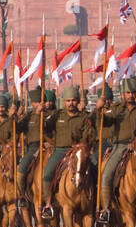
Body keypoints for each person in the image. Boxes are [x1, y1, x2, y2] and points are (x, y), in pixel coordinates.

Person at [96, 77, 136, 221]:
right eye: (128, 92)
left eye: (133, 92)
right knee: (107, 175)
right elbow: (104, 122)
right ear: (123, 93)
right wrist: (99, 109)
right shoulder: (116, 109)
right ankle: (106, 209)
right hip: (119, 146)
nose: (130, 95)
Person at [40, 86, 95, 218]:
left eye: (73, 100)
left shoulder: (83, 117)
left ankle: (95, 203)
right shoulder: (57, 115)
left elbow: (90, 134)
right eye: (68, 100)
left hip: (77, 151)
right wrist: (40, 115)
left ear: (77, 101)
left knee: (95, 171)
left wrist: (81, 146)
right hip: (60, 150)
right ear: (64, 102)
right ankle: (48, 204)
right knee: (47, 174)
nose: (71, 103)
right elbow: (44, 128)